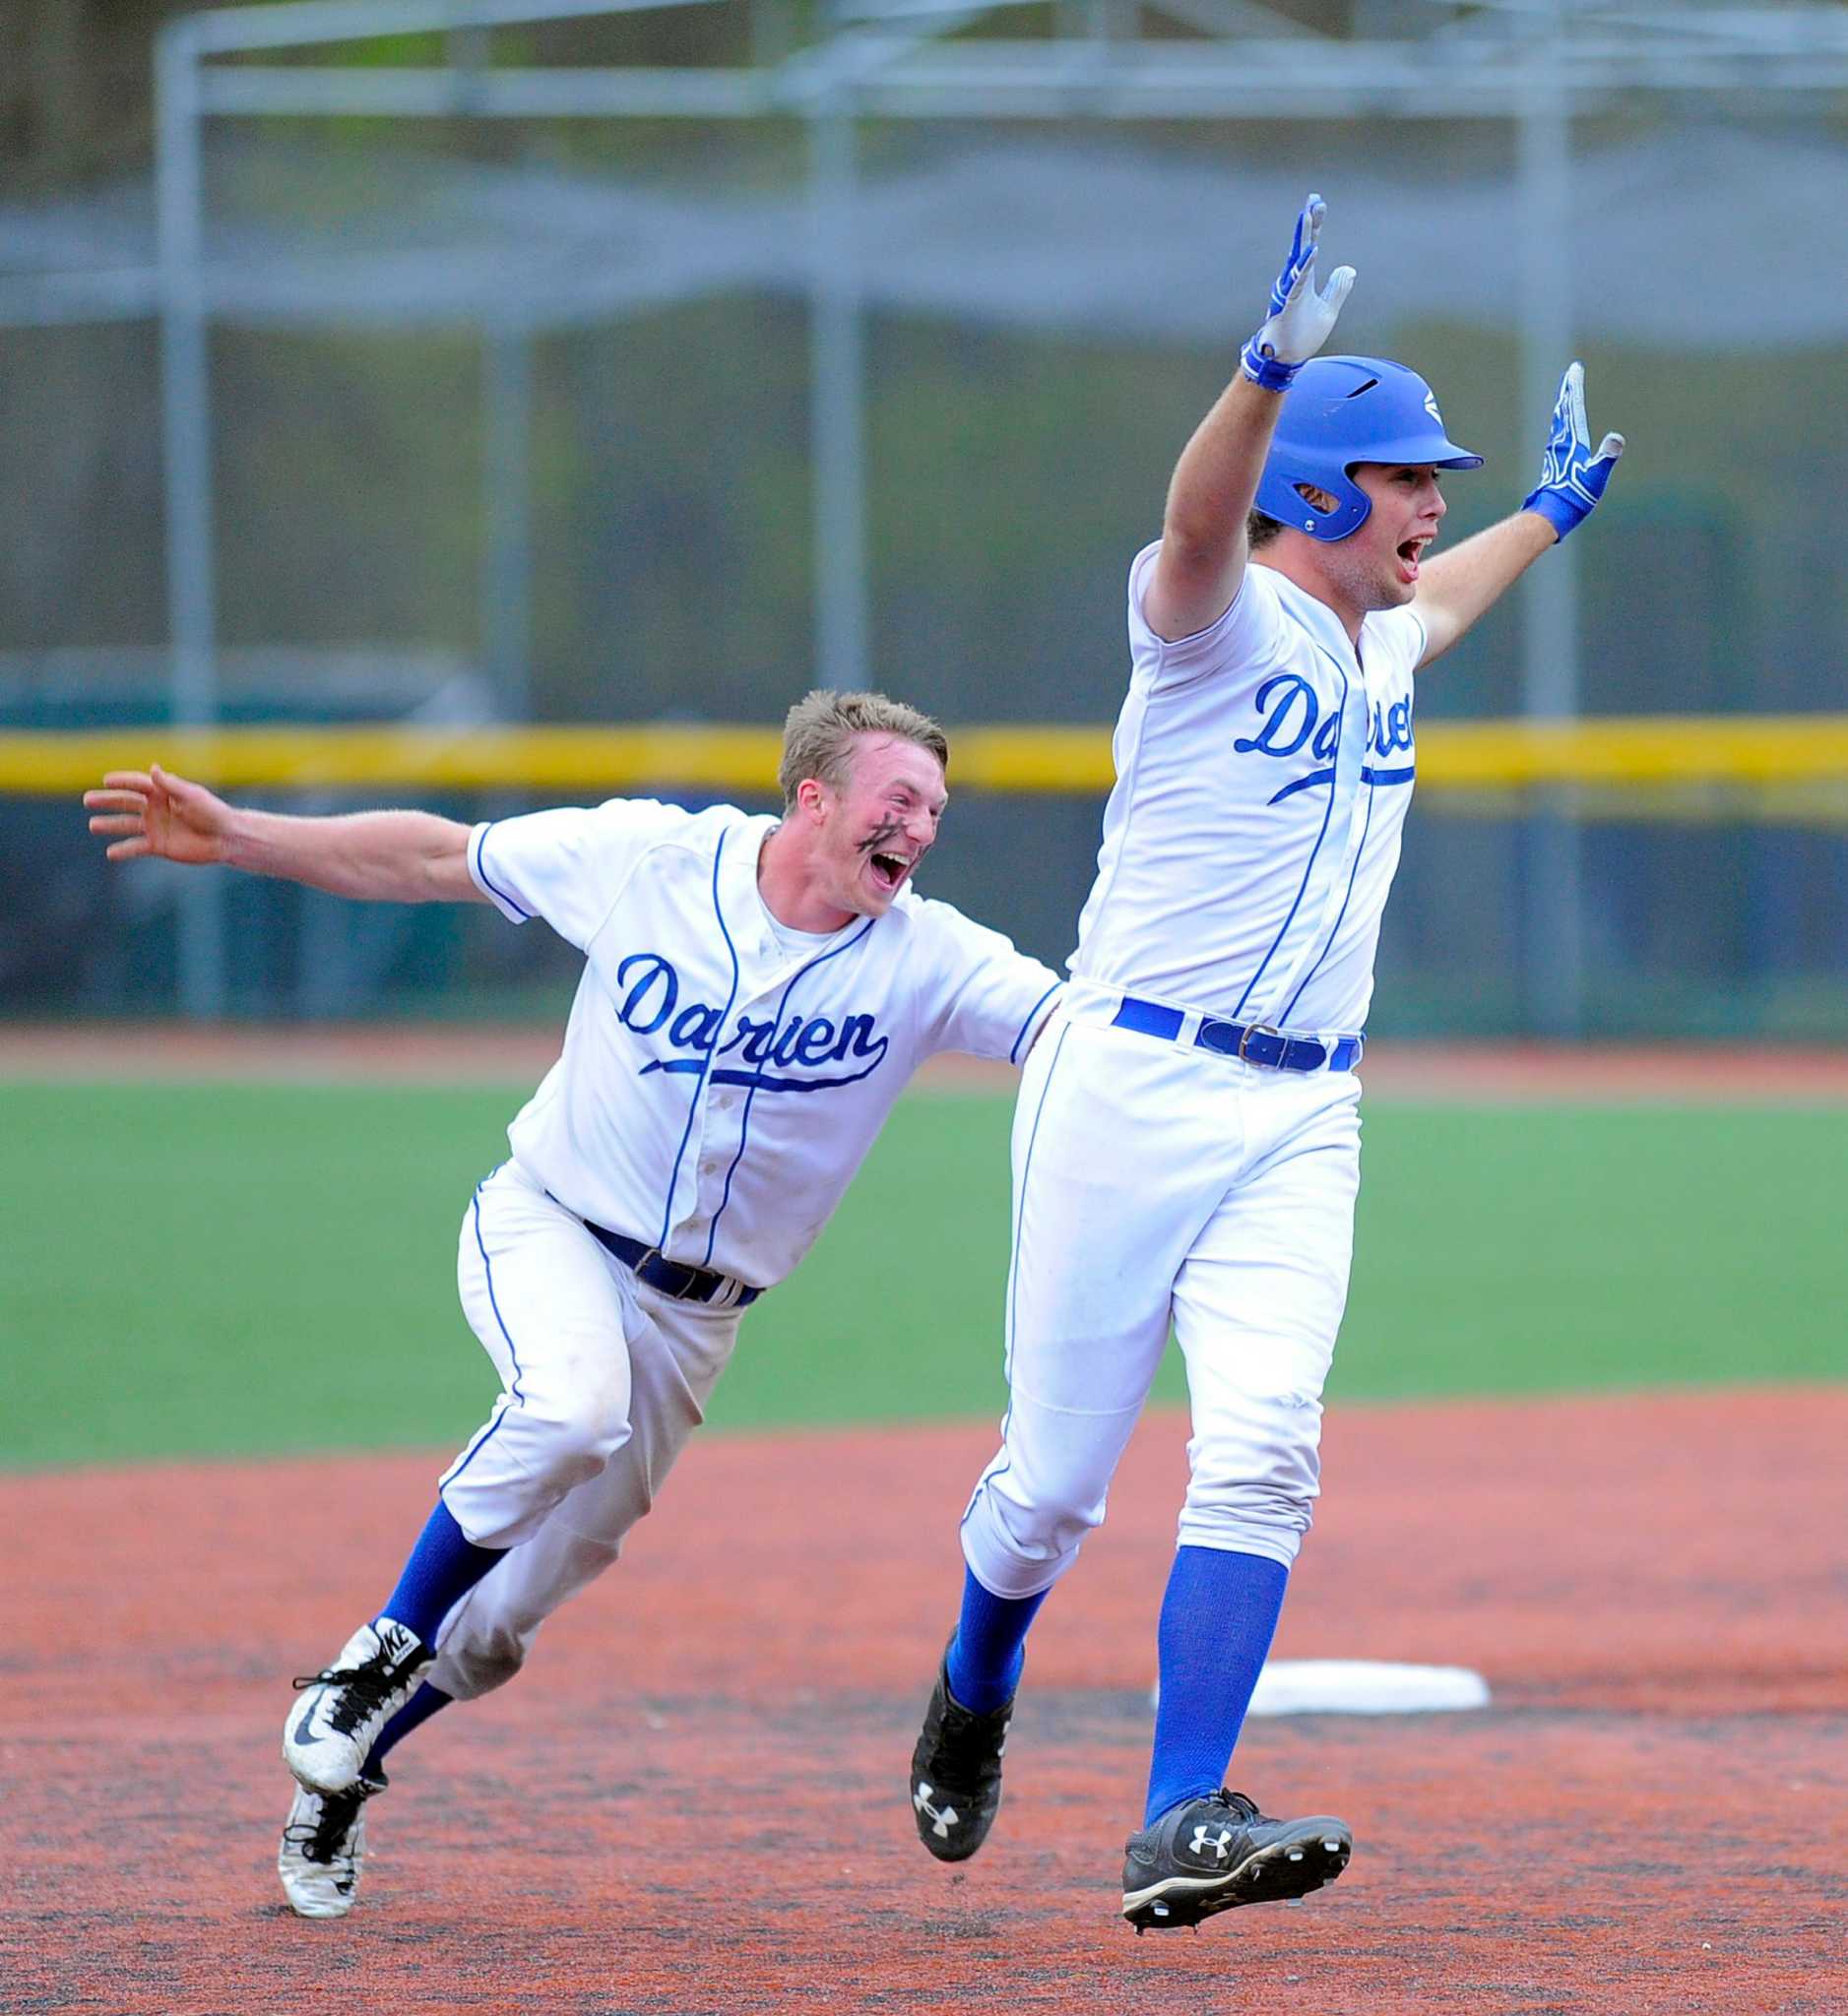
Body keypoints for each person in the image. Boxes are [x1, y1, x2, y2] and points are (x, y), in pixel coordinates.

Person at [905, 194, 1625, 1931]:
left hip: (1302, 1105)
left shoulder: (1382, 637)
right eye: (1398, 474)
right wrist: (1260, 373)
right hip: (1126, 1087)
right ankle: (973, 1671)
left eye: (1435, 474)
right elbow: (1190, 516)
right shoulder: (1207, 622)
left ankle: (1178, 1817)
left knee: (1265, 1447)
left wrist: (1540, 512)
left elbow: (1438, 598)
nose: (1425, 500)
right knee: (1050, 1491)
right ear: (1312, 490)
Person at [84, 690, 1063, 1921]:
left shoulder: (927, 953)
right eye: (895, 798)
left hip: (698, 1318)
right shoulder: (651, 860)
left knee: (497, 1633)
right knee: (569, 1404)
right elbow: (438, 854)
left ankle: (344, 1767)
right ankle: (370, 1657)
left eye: (932, 807)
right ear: (811, 797)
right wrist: (238, 838)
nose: (916, 825)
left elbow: (1068, 1029)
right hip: (549, 1222)